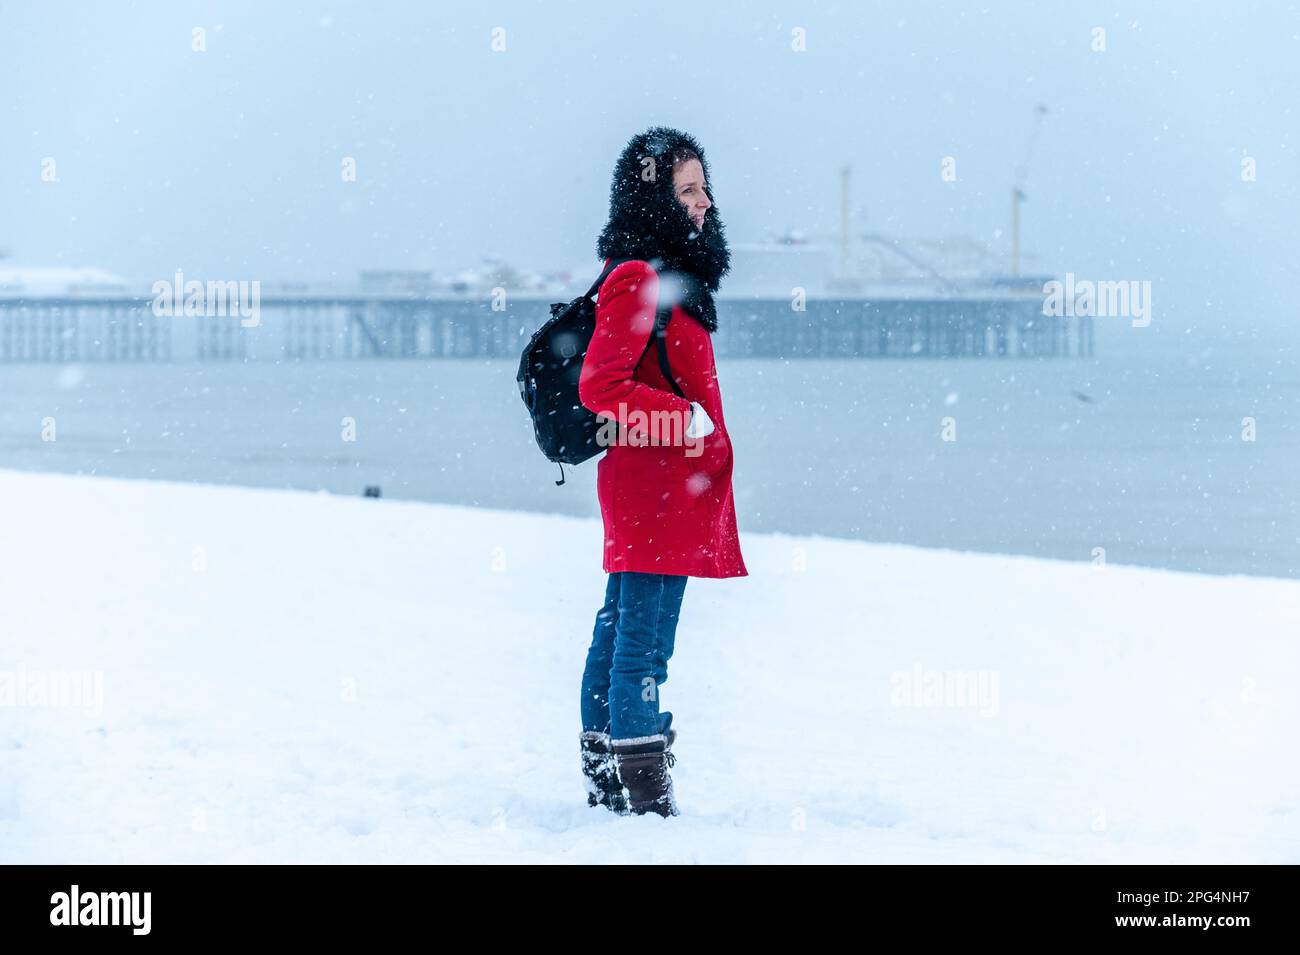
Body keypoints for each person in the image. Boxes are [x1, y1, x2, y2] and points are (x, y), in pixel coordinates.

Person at [575, 126, 747, 817]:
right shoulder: (638, 277)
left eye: (705, 187)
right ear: (654, 198)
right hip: (653, 488)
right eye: (687, 189)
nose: (704, 201)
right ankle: (643, 797)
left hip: (664, 486)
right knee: (641, 647)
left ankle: (607, 783)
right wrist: (688, 421)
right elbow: (600, 384)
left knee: (621, 631)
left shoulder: (668, 277)